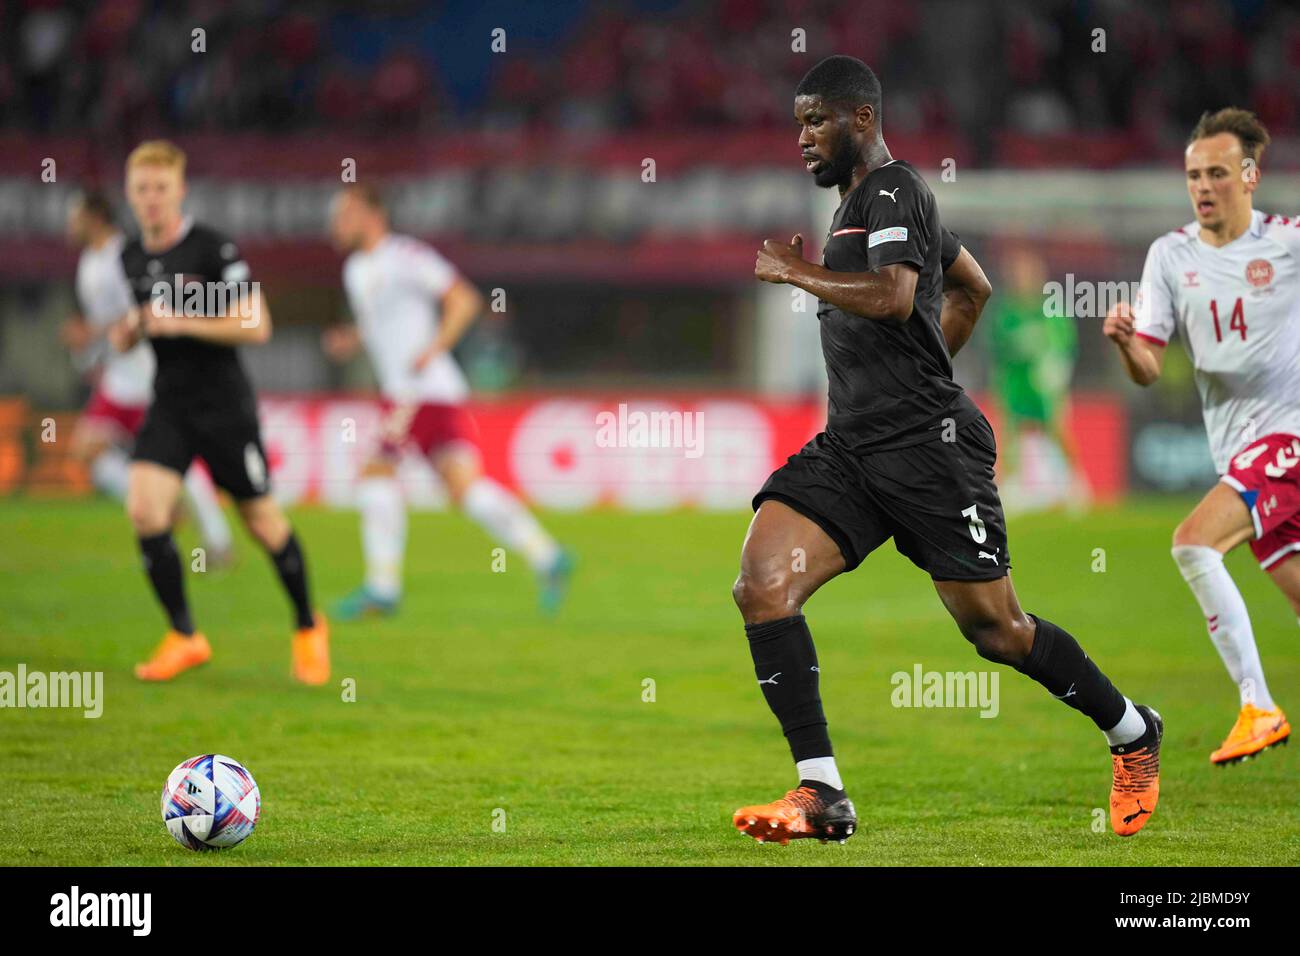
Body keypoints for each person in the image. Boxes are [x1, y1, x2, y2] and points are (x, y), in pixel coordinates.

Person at [732, 56, 1162, 843]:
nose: (802, 137)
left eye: (814, 120)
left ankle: (1133, 731)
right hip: (853, 448)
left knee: (997, 630)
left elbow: (898, 297)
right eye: (797, 121)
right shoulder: (856, 205)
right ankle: (821, 791)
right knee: (762, 584)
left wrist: (796, 272)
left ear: (860, 119)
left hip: (930, 454)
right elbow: (973, 288)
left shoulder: (895, 190)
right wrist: (928, 363)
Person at [1104, 107, 1297, 764]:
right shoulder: (1171, 255)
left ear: (1250, 176)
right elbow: (1149, 370)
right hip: (1240, 449)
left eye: (1217, 172)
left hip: (1290, 436)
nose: (1203, 185)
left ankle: (1257, 706)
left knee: (1193, 543)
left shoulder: (1289, 244)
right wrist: (1130, 344)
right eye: (1193, 174)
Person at [108, 140, 329, 684]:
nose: (152, 199)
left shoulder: (212, 250)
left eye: (161, 188)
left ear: (180, 190)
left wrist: (183, 322)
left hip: (225, 408)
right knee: (144, 509)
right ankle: (185, 635)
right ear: (130, 195)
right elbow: (129, 331)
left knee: (261, 521)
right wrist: (128, 331)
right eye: (142, 189)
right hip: (170, 406)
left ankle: (307, 627)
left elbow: (257, 324)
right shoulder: (130, 256)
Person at [325, 185, 571, 618]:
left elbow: (464, 299)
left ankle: (383, 588)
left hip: (417, 390)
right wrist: (353, 338)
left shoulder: (406, 256)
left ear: (372, 214)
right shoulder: (355, 270)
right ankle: (547, 556)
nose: (336, 223)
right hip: (425, 393)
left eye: (345, 214)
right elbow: (381, 324)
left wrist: (433, 347)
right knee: (464, 488)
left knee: (374, 473)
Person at [62, 188, 233, 562]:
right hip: (118, 377)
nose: (68, 224)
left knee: (178, 457)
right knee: (87, 453)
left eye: (74, 215)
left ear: (93, 216)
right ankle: (165, 509)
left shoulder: (124, 257)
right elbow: (103, 325)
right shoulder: (89, 261)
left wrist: (95, 334)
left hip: (145, 373)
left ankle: (217, 540)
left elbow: (146, 307)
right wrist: (91, 354)